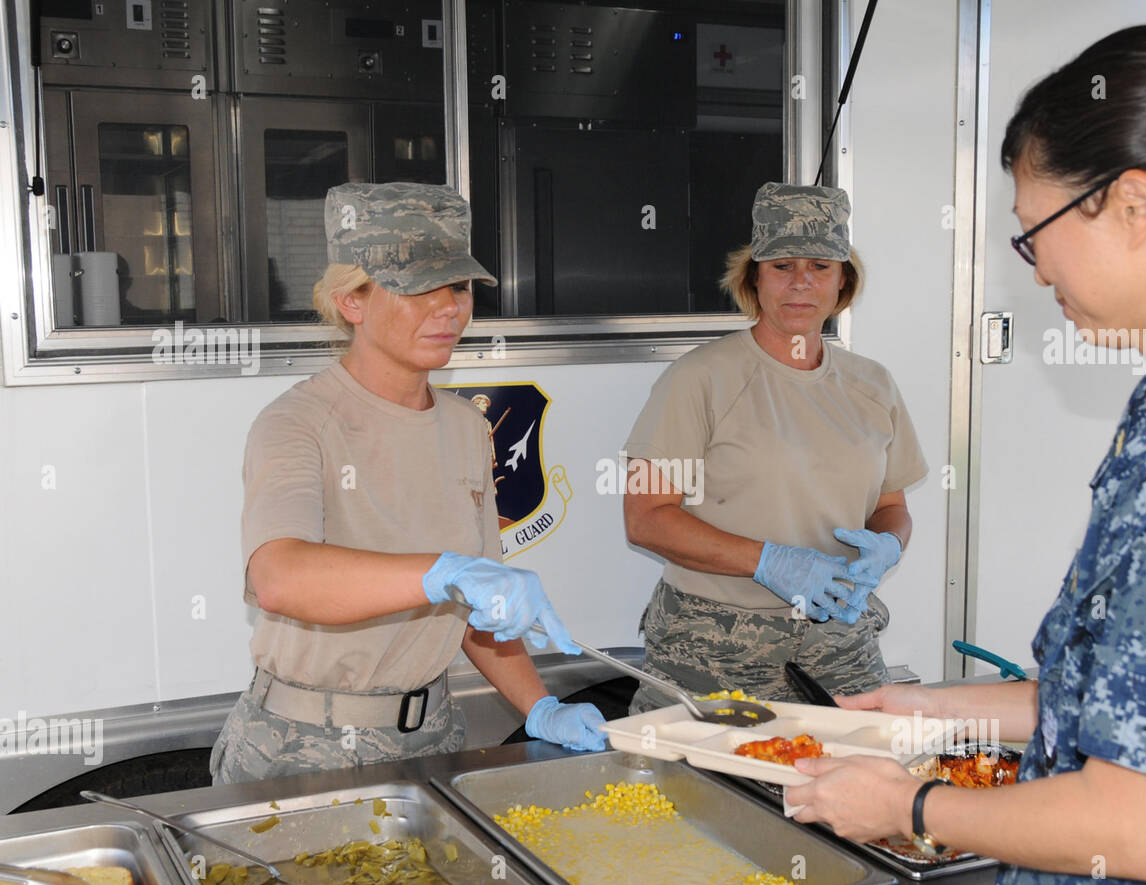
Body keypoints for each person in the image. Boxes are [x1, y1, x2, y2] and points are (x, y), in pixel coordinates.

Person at [786, 25, 1146, 885]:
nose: (1041, 270)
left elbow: (1134, 829)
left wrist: (908, 802)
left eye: (1036, 234)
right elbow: (1122, 712)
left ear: (1135, 205)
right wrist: (920, 712)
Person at [210, 182, 606, 785]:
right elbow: (280, 578)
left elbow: (476, 610)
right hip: (302, 749)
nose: (448, 307)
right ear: (352, 302)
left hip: (434, 737)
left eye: (459, 286)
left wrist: (540, 707)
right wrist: (443, 571)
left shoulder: (466, 426)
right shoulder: (297, 422)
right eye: (419, 287)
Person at [623, 183, 927, 711]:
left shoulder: (873, 384)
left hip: (840, 640)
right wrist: (769, 561)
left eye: (821, 266)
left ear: (843, 282)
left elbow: (891, 505)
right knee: (703, 788)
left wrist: (888, 546)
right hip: (712, 646)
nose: (801, 283)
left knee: (857, 778)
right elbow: (646, 517)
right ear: (754, 278)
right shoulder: (697, 378)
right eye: (782, 265)